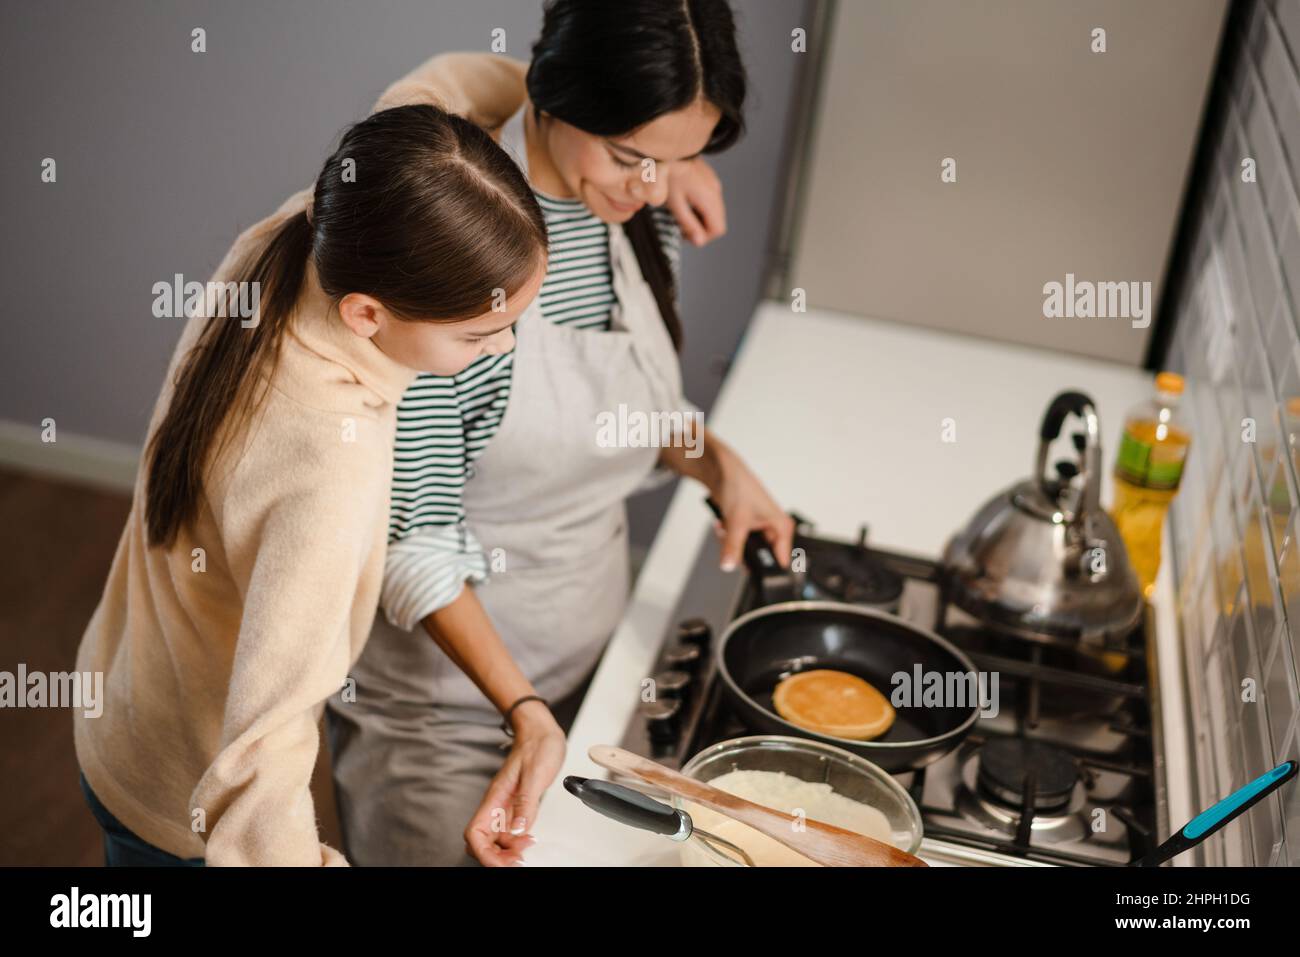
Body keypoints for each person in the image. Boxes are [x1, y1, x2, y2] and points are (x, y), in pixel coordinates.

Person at [326, 0, 795, 867]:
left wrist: (719, 469)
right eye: (631, 157)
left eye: (679, 161)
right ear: (549, 94)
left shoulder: (635, 213)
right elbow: (412, 543)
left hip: (598, 674)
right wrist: (522, 710)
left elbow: (620, 408)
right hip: (452, 715)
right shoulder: (457, 240)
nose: (652, 185)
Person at [73, 104, 548, 865]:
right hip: (178, 790)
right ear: (367, 314)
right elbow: (260, 761)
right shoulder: (329, 467)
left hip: (121, 692)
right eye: (478, 334)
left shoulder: (312, 226)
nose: (504, 344)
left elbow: (437, 89)